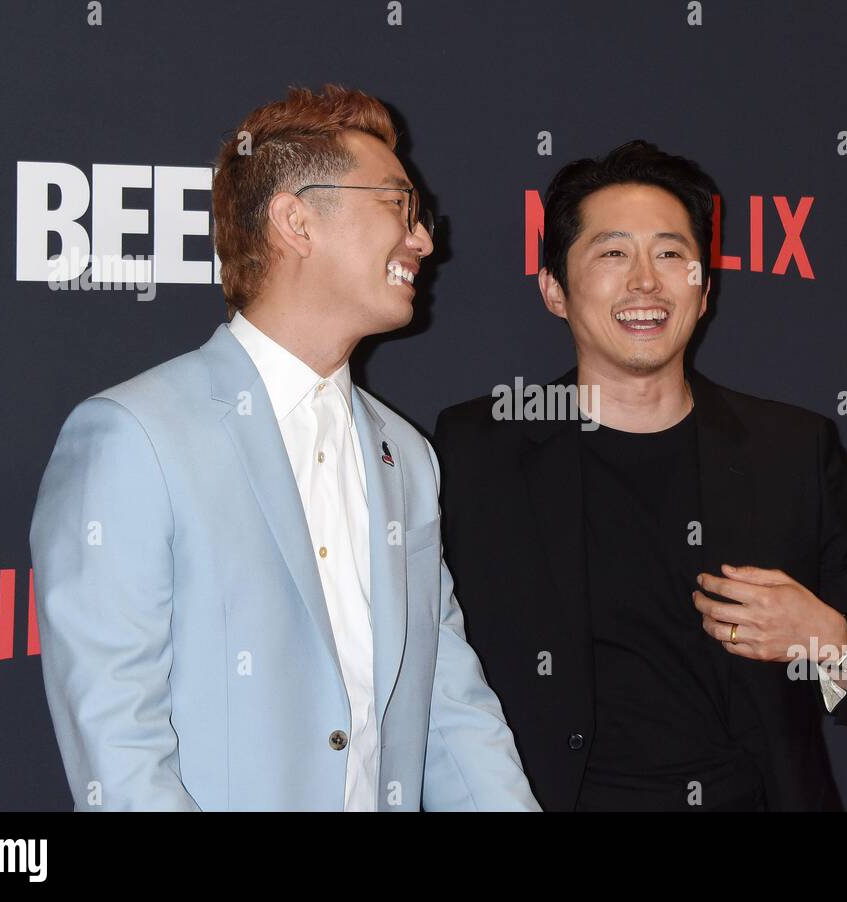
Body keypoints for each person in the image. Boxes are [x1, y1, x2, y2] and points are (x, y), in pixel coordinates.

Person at [30, 84, 538, 811]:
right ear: (297, 220)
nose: (423, 239)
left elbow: (448, 703)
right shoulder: (134, 435)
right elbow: (117, 745)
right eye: (398, 205)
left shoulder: (407, 456)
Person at [434, 140, 847, 811]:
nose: (646, 280)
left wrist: (824, 638)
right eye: (613, 253)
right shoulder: (477, 450)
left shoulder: (790, 451)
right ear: (554, 289)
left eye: (672, 254)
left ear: (704, 290)